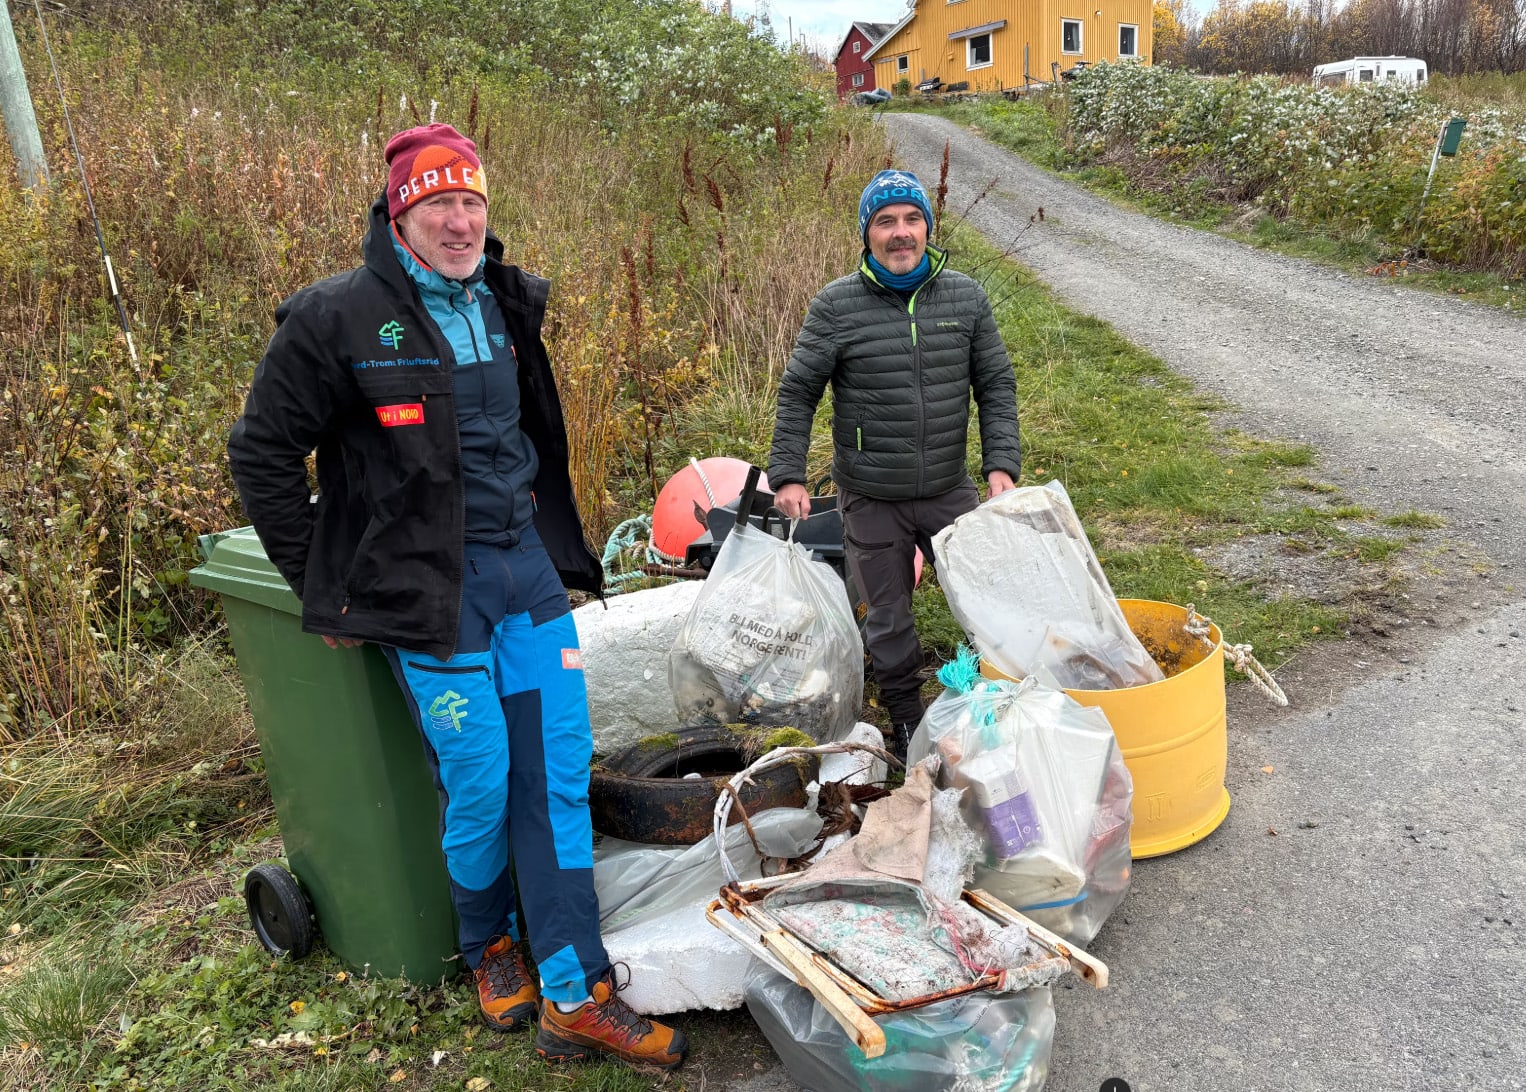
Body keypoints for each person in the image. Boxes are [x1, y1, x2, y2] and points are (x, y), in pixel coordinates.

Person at [227, 123, 686, 1072]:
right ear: (402, 213)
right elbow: (261, 454)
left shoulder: (508, 302)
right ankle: (490, 945)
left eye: (472, 200)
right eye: (439, 202)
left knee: (555, 778)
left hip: (523, 574)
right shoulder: (337, 318)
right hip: (427, 592)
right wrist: (328, 584)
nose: (460, 218)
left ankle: (574, 993)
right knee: (478, 783)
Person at [767, 169, 1021, 759]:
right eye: (885, 222)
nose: (900, 233)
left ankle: (998, 699)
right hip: (871, 494)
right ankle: (907, 720)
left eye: (911, 219)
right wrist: (789, 473)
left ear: (927, 228)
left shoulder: (965, 296)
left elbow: (996, 384)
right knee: (887, 617)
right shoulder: (836, 306)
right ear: (867, 235)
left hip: (947, 488)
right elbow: (799, 390)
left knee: (984, 601)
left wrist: (1000, 462)